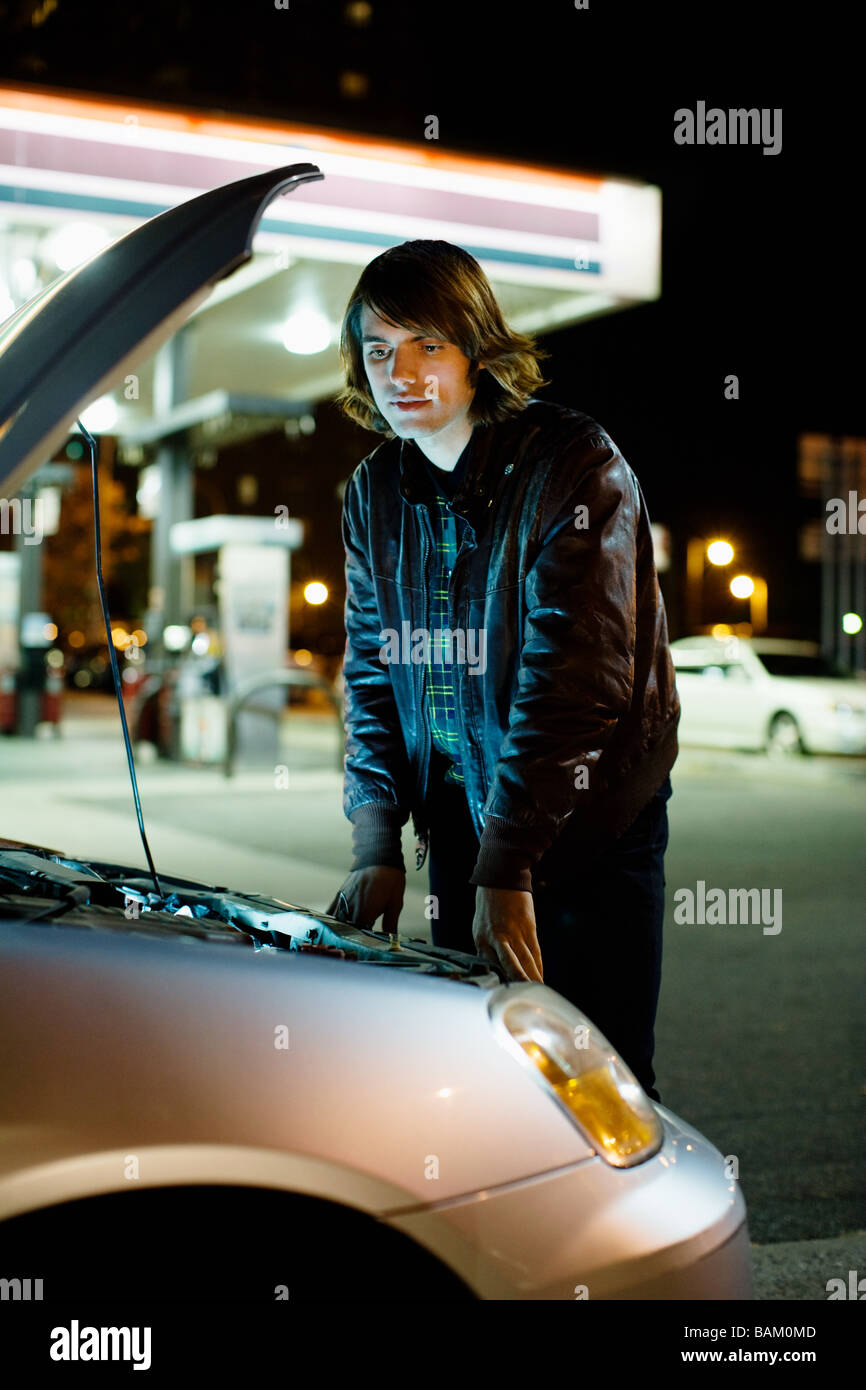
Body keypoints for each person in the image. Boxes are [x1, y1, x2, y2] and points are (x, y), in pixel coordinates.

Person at [326, 240, 679, 1099]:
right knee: (488, 1075)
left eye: (427, 345)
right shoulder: (373, 493)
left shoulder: (575, 465)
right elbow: (372, 669)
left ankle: (637, 1230)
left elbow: (576, 678)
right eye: (379, 351)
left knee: (599, 1073)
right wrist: (377, 838)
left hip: (591, 820)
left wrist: (509, 863)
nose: (400, 372)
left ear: (477, 349)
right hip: (460, 820)